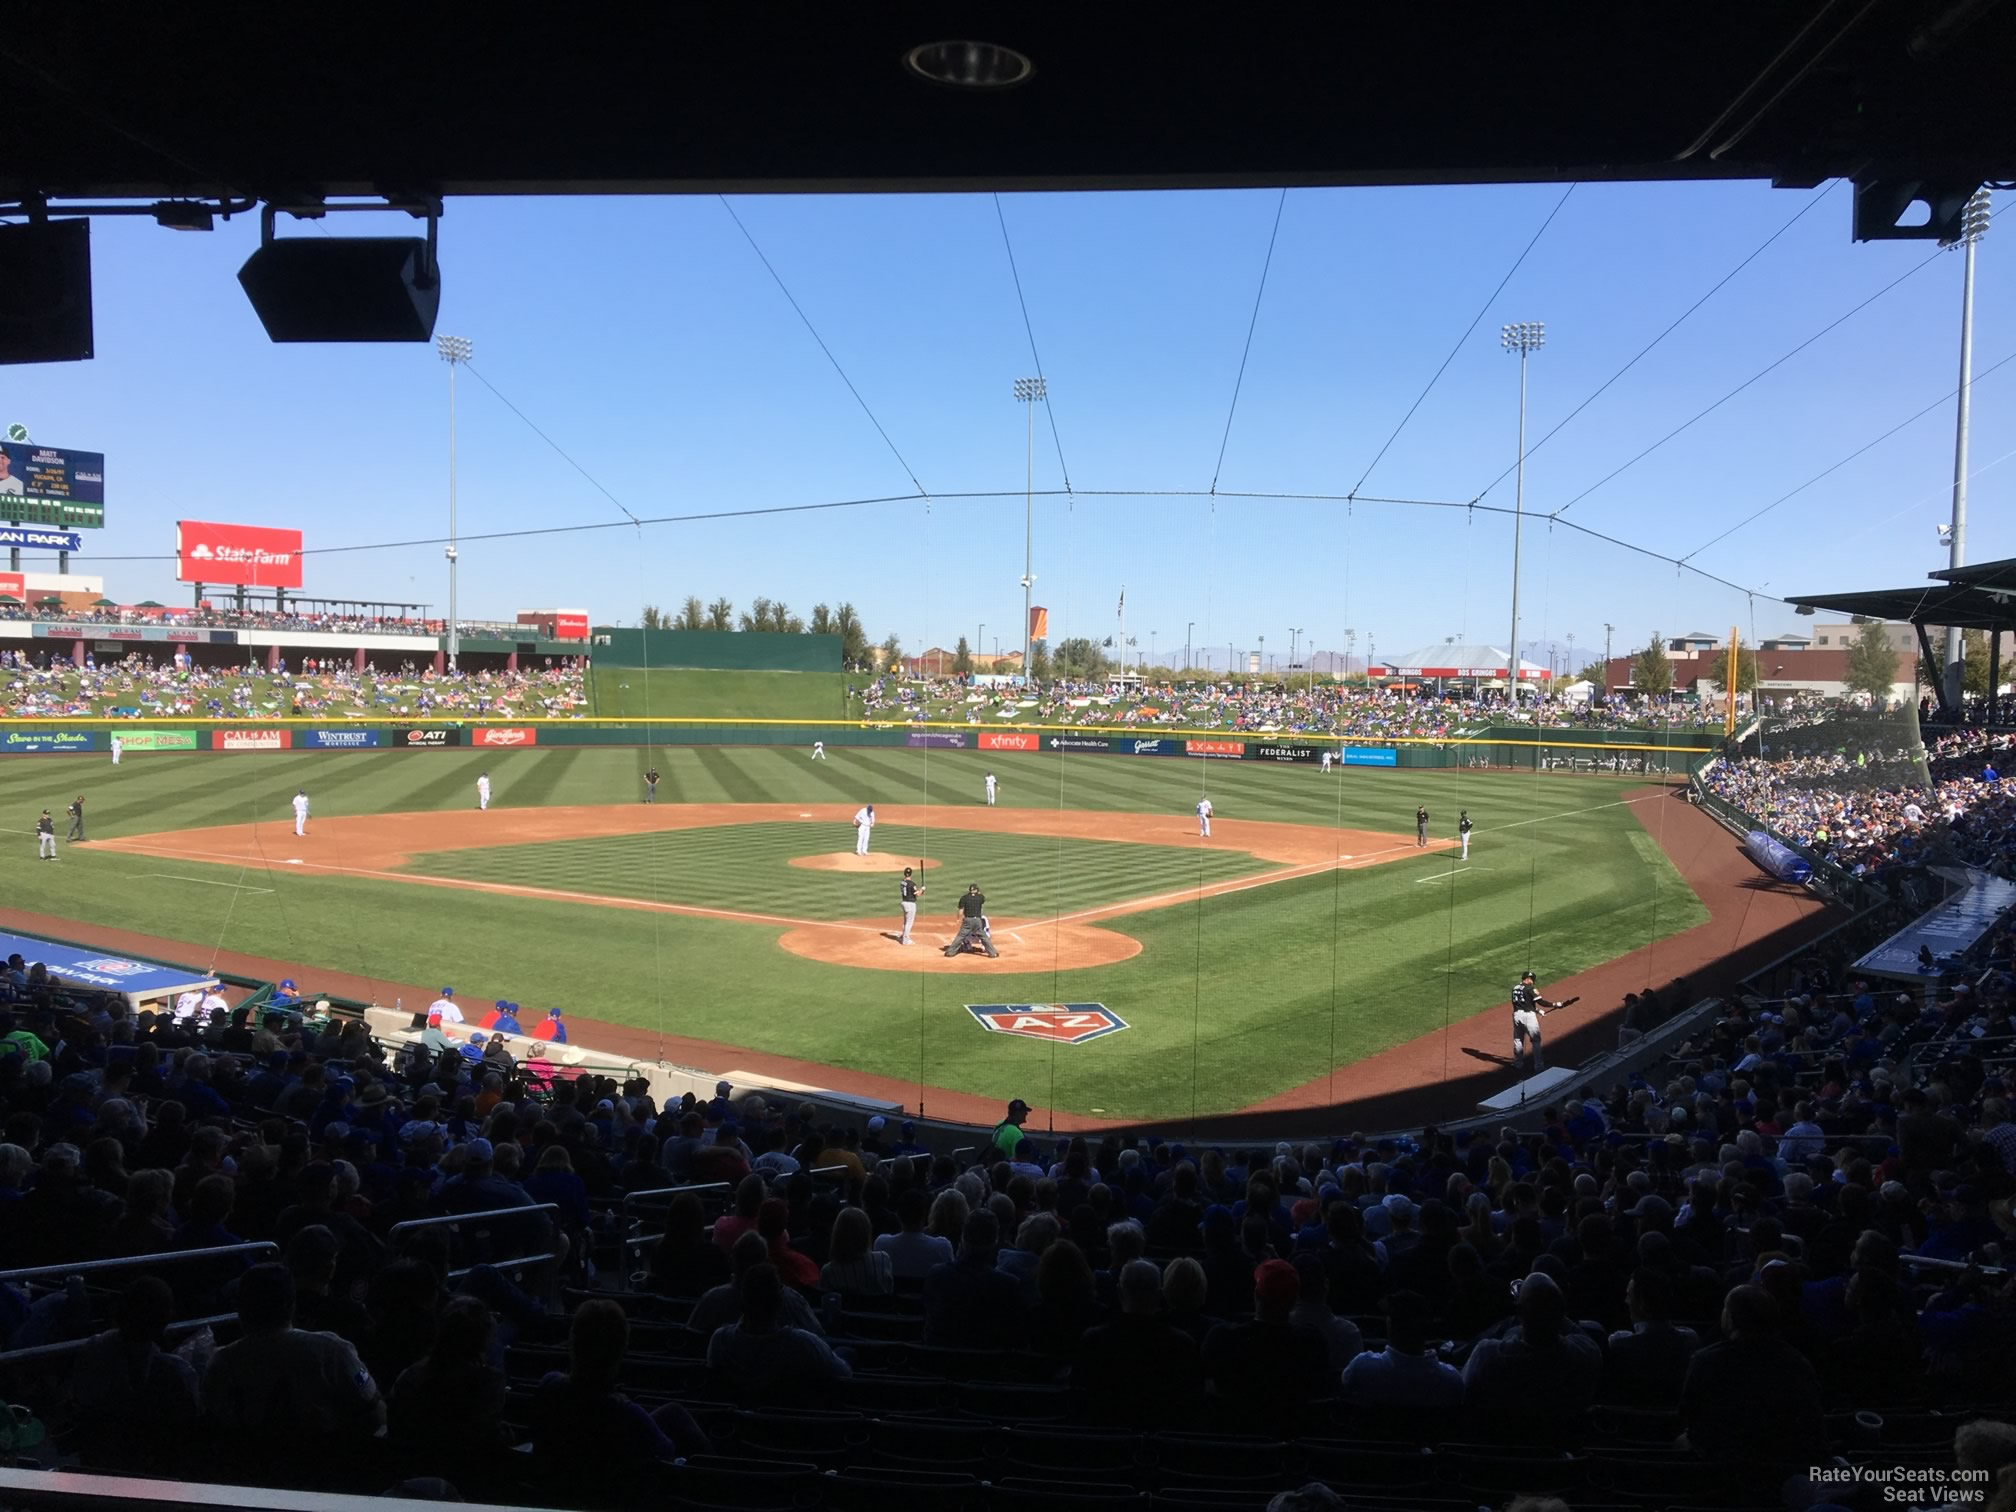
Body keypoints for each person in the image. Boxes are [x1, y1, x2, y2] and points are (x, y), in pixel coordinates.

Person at [706, 1263, 852, 1396]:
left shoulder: (720, 1341)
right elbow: (844, 1374)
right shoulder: (804, 1345)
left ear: (743, 1301)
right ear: (780, 1302)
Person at [1511, 970, 1565, 1074]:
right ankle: (1539, 1066)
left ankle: (1518, 1063)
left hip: (1516, 1015)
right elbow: (1540, 1001)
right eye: (1531, 980)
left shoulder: (1515, 988)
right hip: (1528, 1016)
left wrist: (1537, 1010)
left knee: (1518, 1039)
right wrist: (1555, 1004)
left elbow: (1523, 1002)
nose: (1532, 982)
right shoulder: (1531, 988)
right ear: (1528, 979)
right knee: (1535, 1041)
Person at [944, 882, 999, 957]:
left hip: (968, 920)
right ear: (976, 890)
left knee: (961, 936)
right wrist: (978, 893)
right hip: (977, 920)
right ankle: (993, 953)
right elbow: (982, 899)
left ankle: (950, 952)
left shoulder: (964, 898)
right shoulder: (980, 897)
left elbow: (961, 910)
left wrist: (958, 919)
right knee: (983, 936)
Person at [898, 866, 924, 945]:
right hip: (910, 904)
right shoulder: (912, 884)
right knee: (909, 922)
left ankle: (903, 936)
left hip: (904, 903)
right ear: (911, 874)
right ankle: (905, 940)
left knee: (906, 921)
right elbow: (918, 894)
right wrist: (922, 889)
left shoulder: (902, 882)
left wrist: (920, 890)